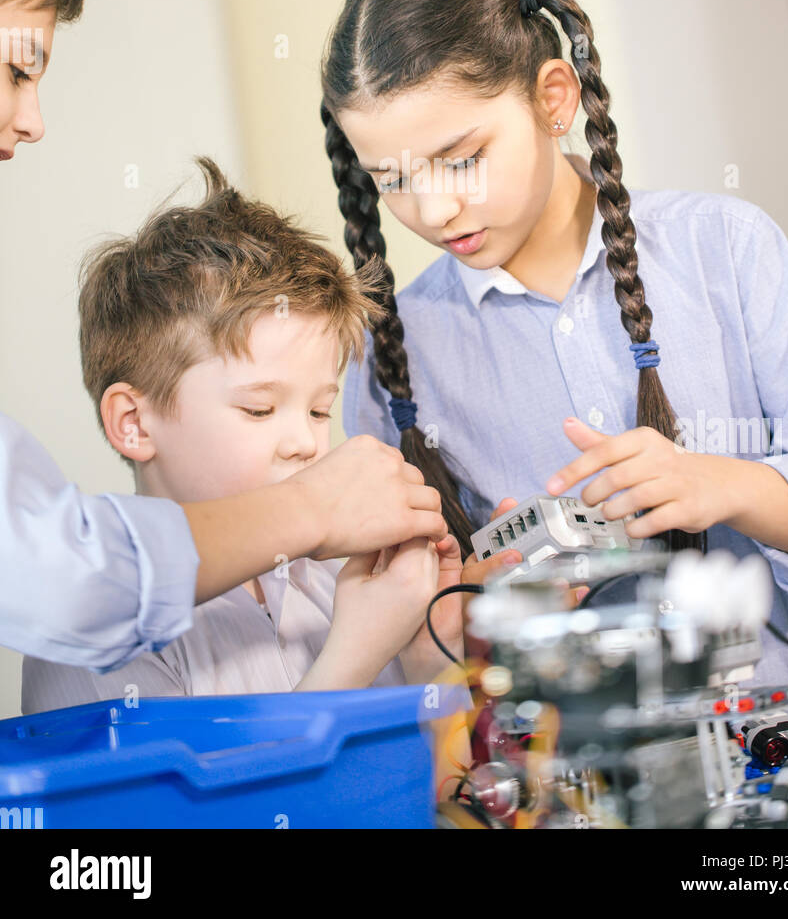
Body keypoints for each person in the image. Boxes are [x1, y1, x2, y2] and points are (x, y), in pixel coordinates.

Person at [319, 0, 788, 689]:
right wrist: (472, 604)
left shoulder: (726, 249)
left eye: (461, 158)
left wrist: (724, 485)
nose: (434, 210)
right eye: (393, 181)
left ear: (554, 99)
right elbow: (403, 642)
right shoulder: (396, 349)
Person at [0, 0, 446, 674]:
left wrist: (427, 637)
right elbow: (67, 585)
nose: (33, 120)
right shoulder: (111, 657)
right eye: (13, 70)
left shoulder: (326, 585)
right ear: (134, 422)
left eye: (318, 408)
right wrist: (326, 547)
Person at [22, 159, 464, 710]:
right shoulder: (94, 636)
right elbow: (200, 799)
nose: (305, 442)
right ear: (133, 423)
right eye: (259, 410)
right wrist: (355, 653)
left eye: (320, 411)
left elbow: (436, 787)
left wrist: (429, 653)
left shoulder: (338, 583)